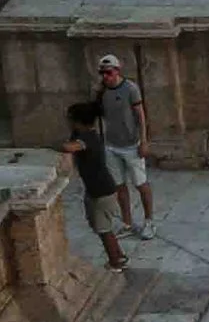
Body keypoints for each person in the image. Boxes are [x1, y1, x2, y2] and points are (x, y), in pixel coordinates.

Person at [92, 52, 154, 240]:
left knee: (140, 183)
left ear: (117, 71)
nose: (105, 77)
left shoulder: (130, 89)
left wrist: (143, 141)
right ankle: (127, 222)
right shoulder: (101, 91)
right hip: (111, 145)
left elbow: (140, 116)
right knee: (119, 186)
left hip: (131, 144)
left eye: (109, 73)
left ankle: (149, 220)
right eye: (102, 73)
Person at [63, 97, 130, 272]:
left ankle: (115, 263)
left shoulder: (88, 138)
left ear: (77, 121)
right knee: (101, 226)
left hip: (102, 192)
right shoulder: (84, 134)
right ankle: (119, 255)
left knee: (104, 229)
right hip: (96, 190)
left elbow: (70, 148)